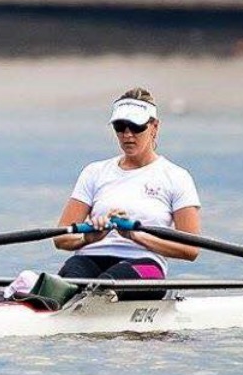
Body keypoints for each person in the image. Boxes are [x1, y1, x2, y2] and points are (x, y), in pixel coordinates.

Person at [48, 87, 200, 282]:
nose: (128, 134)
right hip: (90, 257)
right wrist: (88, 238)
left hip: (145, 265)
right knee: (73, 271)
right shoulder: (94, 172)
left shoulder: (177, 177)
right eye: (120, 126)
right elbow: (61, 238)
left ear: (154, 127)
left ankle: (95, 300)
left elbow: (191, 249)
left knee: (111, 280)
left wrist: (136, 236)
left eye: (136, 126)